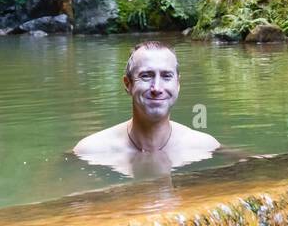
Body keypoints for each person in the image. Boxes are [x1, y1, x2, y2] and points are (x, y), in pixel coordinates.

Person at [73, 41, 220, 176]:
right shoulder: (90, 152)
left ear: (178, 84)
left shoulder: (205, 147)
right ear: (127, 84)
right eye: (146, 76)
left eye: (166, 76)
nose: (156, 88)